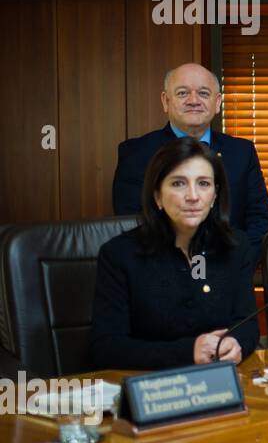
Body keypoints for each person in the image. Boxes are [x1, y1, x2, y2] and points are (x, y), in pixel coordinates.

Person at [91, 137, 257, 370]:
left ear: (215, 195)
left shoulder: (235, 246)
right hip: (151, 388)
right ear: (157, 195)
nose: (193, 196)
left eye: (204, 183)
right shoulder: (120, 255)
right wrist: (188, 352)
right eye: (179, 183)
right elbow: (106, 348)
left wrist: (235, 343)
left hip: (220, 384)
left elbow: (246, 324)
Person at [112, 62, 268, 249]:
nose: (193, 100)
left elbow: (259, 219)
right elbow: (133, 224)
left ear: (217, 102)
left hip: (231, 268)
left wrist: (237, 265)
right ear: (165, 101)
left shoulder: (242, 152)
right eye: (182, 93)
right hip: (161, 271)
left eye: (203, 93)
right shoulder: (135, 153)